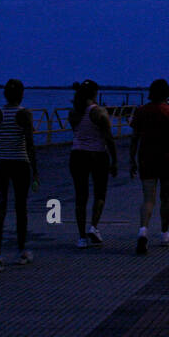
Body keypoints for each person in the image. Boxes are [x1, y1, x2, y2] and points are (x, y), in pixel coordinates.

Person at [0, 79, 38, 272]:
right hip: (20, 163)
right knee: (20, 207)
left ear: (4, 94)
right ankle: (21, 251)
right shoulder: (24, 114)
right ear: (22, 94)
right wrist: (36, 170)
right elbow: (30, 144)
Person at [130, 78, 169, 254]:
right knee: (166, 197)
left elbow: (135, 137)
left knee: (148, 198)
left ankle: (143, 231)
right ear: (167, 94)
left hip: (146, 158)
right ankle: (164, 234)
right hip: (167, 158)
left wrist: (131, 159)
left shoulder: (140, 112)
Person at [68, 80, 117, 248]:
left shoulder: (74, 113)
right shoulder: (99, 112)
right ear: (95, 93)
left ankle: (81, 237)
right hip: (97, 155)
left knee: (80, 197)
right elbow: (109, 138)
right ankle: (94, 227)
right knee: (100, 194)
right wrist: (115, 160)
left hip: (77, 155)